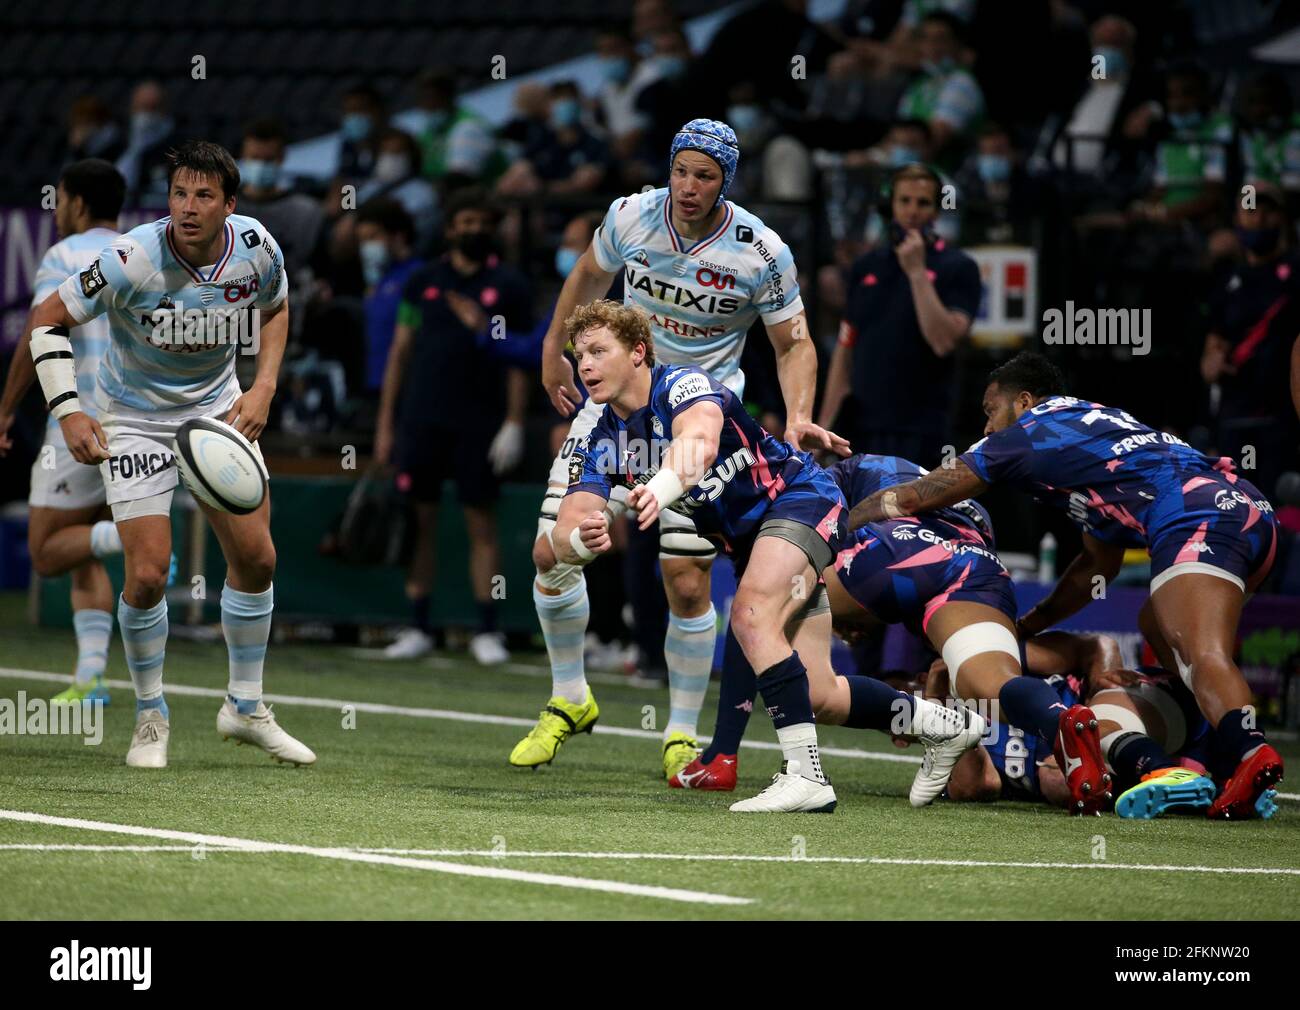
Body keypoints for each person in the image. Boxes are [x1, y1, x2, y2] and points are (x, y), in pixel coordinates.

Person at [515, 118, 848, 784]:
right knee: (553, 551)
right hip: (619, 405)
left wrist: (802, 415)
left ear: (727, 181)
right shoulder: (632, 216)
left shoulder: (761, 249)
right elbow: (587, 272)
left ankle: (680, 735)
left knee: (688, 582)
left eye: (706, 176)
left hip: (702, 415)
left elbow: (794, 343)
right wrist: (555, 351)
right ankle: (570, 697)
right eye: (681, 171)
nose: (689, 187)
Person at [846, 352, 1284, 820]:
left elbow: (915, 495)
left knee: (1199, 649)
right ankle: (1213, 751)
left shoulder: (1031, 432)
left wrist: (836, 527)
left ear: (1025, 401)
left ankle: (1251, 755)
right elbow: (1094, 568)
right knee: (1157, 627)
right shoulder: (1091, 442)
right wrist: (1029, 625)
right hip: (1246, 513)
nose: (989, 429)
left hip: (1198, 514)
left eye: (992, 412)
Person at [24, 140, 314, 769]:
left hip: (215, 411)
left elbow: (276, 308)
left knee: (259, 559)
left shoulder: (258, 248)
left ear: (229, 205)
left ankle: (244, 706)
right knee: (149, 573)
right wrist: (69, 408)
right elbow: (46, 319)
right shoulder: (130, 259)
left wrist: (263, 385)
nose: (188, 207)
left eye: (204, 196)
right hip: (134, 421)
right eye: (180, 193)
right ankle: (151, 714)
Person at [682, 451, 1112, 815]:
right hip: (975, 564)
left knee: (756, 610)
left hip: (891, 547)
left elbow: (815, 543)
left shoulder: (814, 482)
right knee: (993, 685)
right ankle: (1059, 720)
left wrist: (855, 606)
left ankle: (723, 751)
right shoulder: (944, 492)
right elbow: (924, 592)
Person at [555, 300, 850, 813]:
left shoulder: (683, 385)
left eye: (599, 351)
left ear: (639, 353)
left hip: (799, 498)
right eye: (579, 355)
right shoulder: (604, 438)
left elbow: (700, 442)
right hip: (751, 542)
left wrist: (662, 486)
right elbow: (566, 523)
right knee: (822, 691)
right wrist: (582, 535)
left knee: (750, 612)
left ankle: (806, 777)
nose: (585, 365)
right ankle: (947, 725)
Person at [374, 189, 532, 665]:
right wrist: (386, 423)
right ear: (450, 228)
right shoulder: (423, 281)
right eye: (465, 220)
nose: (473, 229)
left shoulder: (509, 285)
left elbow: (518, 358)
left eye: (482, 221)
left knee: (481, 523)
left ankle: (488, 630)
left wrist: (515, 421)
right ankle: (418, 625)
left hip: (480, 422)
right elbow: (399, 352)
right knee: (419, 520)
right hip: (422, 417)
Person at [0, 160, 127, 707]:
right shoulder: (140, 252)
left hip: (76, 421)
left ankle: (135, 539)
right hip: (138, 421)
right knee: (84, 548)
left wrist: (5, 409)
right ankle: (91, 677)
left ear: (75, 202)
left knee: (49, 551)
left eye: (60, 200)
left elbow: (39, 330)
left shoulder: (65, 255)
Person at [819, 162, 980, 464]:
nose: (912, 211)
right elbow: (845, 347)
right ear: (891, 205)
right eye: (904, 201)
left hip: (922, 429)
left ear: (936, 211)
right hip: (861, 426)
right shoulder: (865, 267)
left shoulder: (958, 267)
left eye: (923, 203)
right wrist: (825, 426)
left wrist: (917, 271)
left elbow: (943, 341)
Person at [1201, 182, 1300, 501]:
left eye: (1266, 211)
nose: (1258, 219)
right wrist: (1213, 363)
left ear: (1280, 219)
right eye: (1250, 210)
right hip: (1234, 420)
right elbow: (1209, 359)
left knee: (1280, 514)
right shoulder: (1227, 282)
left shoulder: (1295, 273)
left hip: (1281, 421)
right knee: (1238, 511)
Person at [357, 198, 424, 397]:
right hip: (373, 386)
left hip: (407, 388)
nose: (366, 246)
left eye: (373, 237)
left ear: (398, 236)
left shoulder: (418, 276)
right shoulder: (377, 281)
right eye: (362, 240)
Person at [115, 81, 176, 210]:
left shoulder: (179, 149)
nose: (145, 116)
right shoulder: (118, 145)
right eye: (141, 108)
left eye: (152, 108)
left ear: (164, 110)